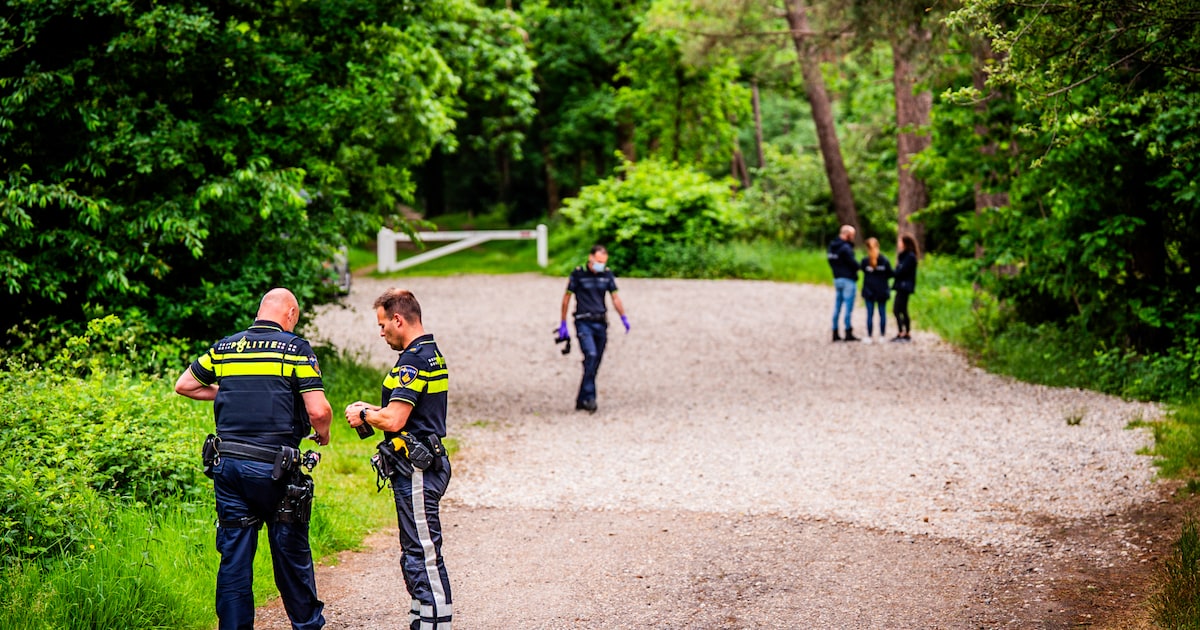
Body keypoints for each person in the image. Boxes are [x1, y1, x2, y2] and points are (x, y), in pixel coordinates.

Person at [174, 288, 333, 630]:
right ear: (290, 314)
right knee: (290, 554)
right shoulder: (295, 348)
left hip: (227, 467)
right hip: (276, 469)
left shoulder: (226, 346)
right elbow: (318, 409)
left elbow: (185, 384)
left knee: (234, 556)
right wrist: (324, 433)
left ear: (261, 311)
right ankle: (306, 626)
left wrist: (228, 391)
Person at [345, 289, 452, 630]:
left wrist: (365, 413)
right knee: (414, 553)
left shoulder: (414, 360)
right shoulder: (427, 353)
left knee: (423, 555)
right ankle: (421, 622)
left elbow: (395, 421)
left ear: (398, 319)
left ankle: (437, 625)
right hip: (416, 464)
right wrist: (374, 411)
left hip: (417, 468)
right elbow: (404, 412)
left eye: (382, 325)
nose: (381, 333)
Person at [558, 244, 629, 413]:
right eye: (598, 261)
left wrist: (623, 317)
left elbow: (615, 297)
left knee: (595, 362)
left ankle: (581, 398)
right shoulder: (578, 275)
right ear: (590, 258)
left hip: (601, 322)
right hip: (583, 321)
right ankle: (590, 397)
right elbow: (566, 298)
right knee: (590, 354)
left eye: (603, 262)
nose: (600, 265)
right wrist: (563, 323)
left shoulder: (607, 275)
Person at [827, 224, 860, 342]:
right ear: (847, 235)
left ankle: (835, 331)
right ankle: (848, 332)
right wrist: (859, 267)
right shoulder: (846, 248)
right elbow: (853, 263)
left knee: (837, 306)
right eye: (852, 235)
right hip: (848, 280)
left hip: (837, 279)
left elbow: (830, 261)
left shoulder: (832, 247)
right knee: (848, 307)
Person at [859, 237, 893, 343]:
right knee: (882, 313)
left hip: (869, 290)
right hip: (882, 290)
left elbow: (863, 271)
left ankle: (869, 336)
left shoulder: (865, 261)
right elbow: (890, 274)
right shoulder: (884, 260)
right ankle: (882, 336)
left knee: (870, 314)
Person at [892, 235, 919, 342]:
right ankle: (903, 332)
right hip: (901, 285)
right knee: (900, 310)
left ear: (905, 243)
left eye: (900, 241)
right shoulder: (903, 256)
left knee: (899, 309)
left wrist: (894, 272)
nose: (899, 244)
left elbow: (902, 271)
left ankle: (905, 333)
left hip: (905, 286)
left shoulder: (910, 257)